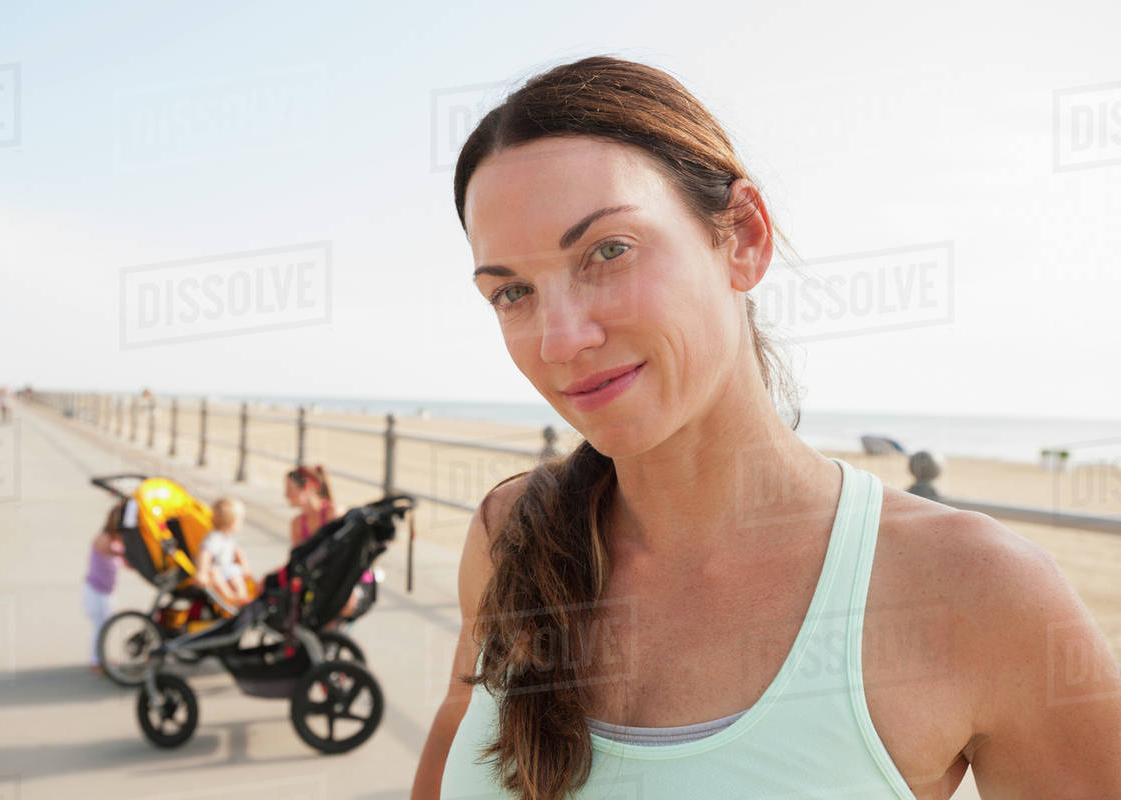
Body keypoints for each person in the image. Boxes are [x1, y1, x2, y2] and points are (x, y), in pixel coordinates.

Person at [412, 56, 1121, 799]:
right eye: (512, 292)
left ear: (744, 238)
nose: (559, 339)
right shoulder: (508, 537)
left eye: (607, 251)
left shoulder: (977, 593)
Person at [284, 465, 366, 627]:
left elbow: (347, 555)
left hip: (342, 579)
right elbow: (297, 562)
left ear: (307, 487)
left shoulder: (334, 514)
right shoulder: (297, 524)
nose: (286, 495)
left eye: (290, 490)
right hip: (320, 582)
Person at [83, 502, 127, 674]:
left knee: (105, 624)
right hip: (95, 591)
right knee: (100, 626)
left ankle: (102, 657)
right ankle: (96, 661)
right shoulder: (104, 539)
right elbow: (118, 553)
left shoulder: (114, 540)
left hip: (106, 591)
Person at [198, 497, 254, 606]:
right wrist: (202, 572)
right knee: (216, 574)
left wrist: (245, 566)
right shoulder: (213, 537)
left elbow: (238, 553)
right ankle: (230, 597)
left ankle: (242, 596)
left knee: (236, 575)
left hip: (227, 568)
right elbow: (205, 553)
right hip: (216, 568)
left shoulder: (228, 538)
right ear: (231, 523)